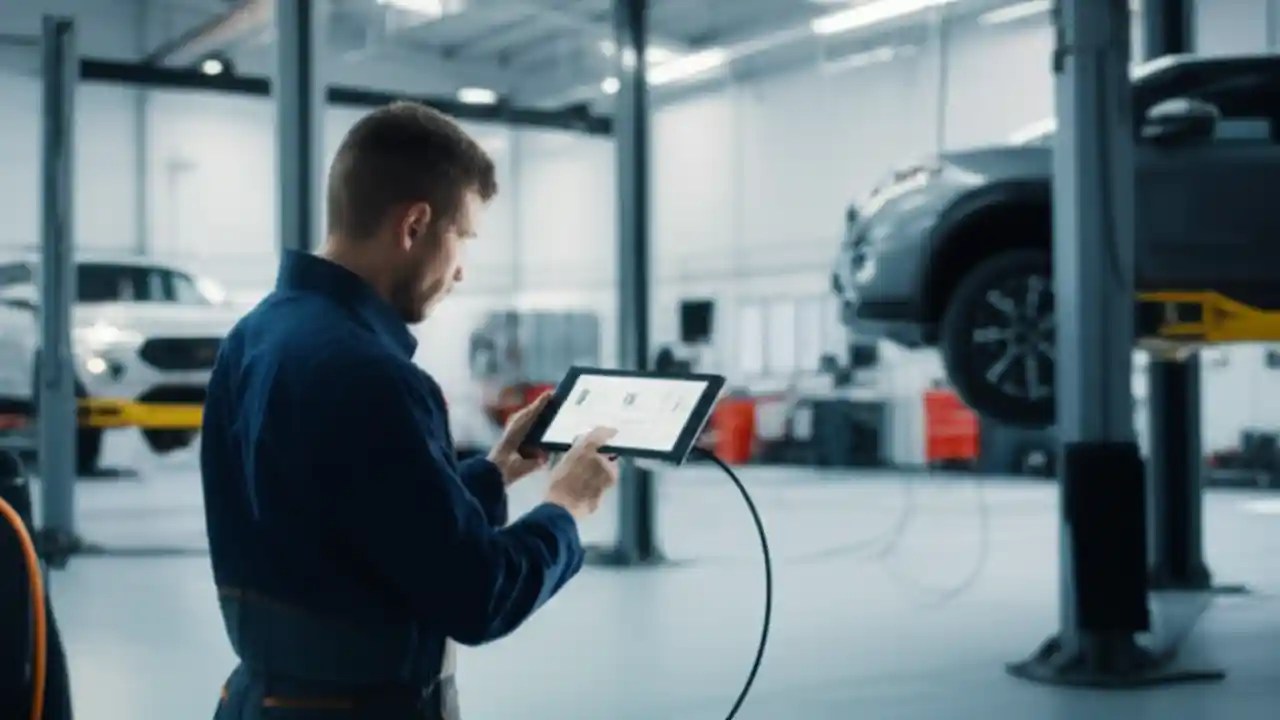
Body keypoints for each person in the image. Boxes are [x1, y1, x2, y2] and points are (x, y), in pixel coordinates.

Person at [200, 101, 620, 720]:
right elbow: (476, 595)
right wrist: (567, 507)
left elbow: (373, 523)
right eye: (464, 237)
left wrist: (499, 468)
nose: (460, 272)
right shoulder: (374, 376)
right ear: (416, 225)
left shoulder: (255, 336)